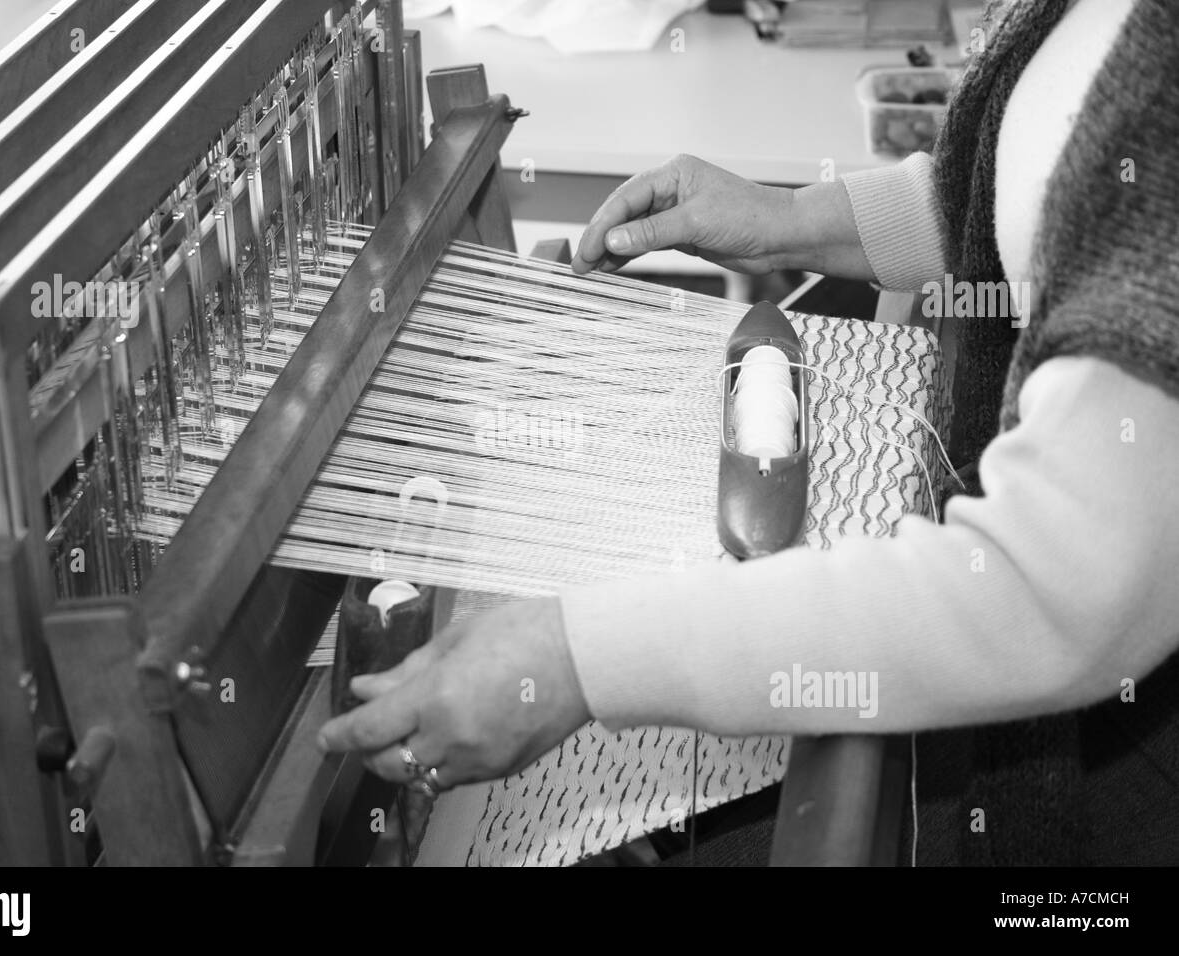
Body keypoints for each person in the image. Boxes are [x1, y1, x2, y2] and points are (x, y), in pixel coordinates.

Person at [320, 0, 1179, 864]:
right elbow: (1034, 190)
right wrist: (790, 221)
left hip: (1111, 767)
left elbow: (1049, 595)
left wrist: (577, 660)